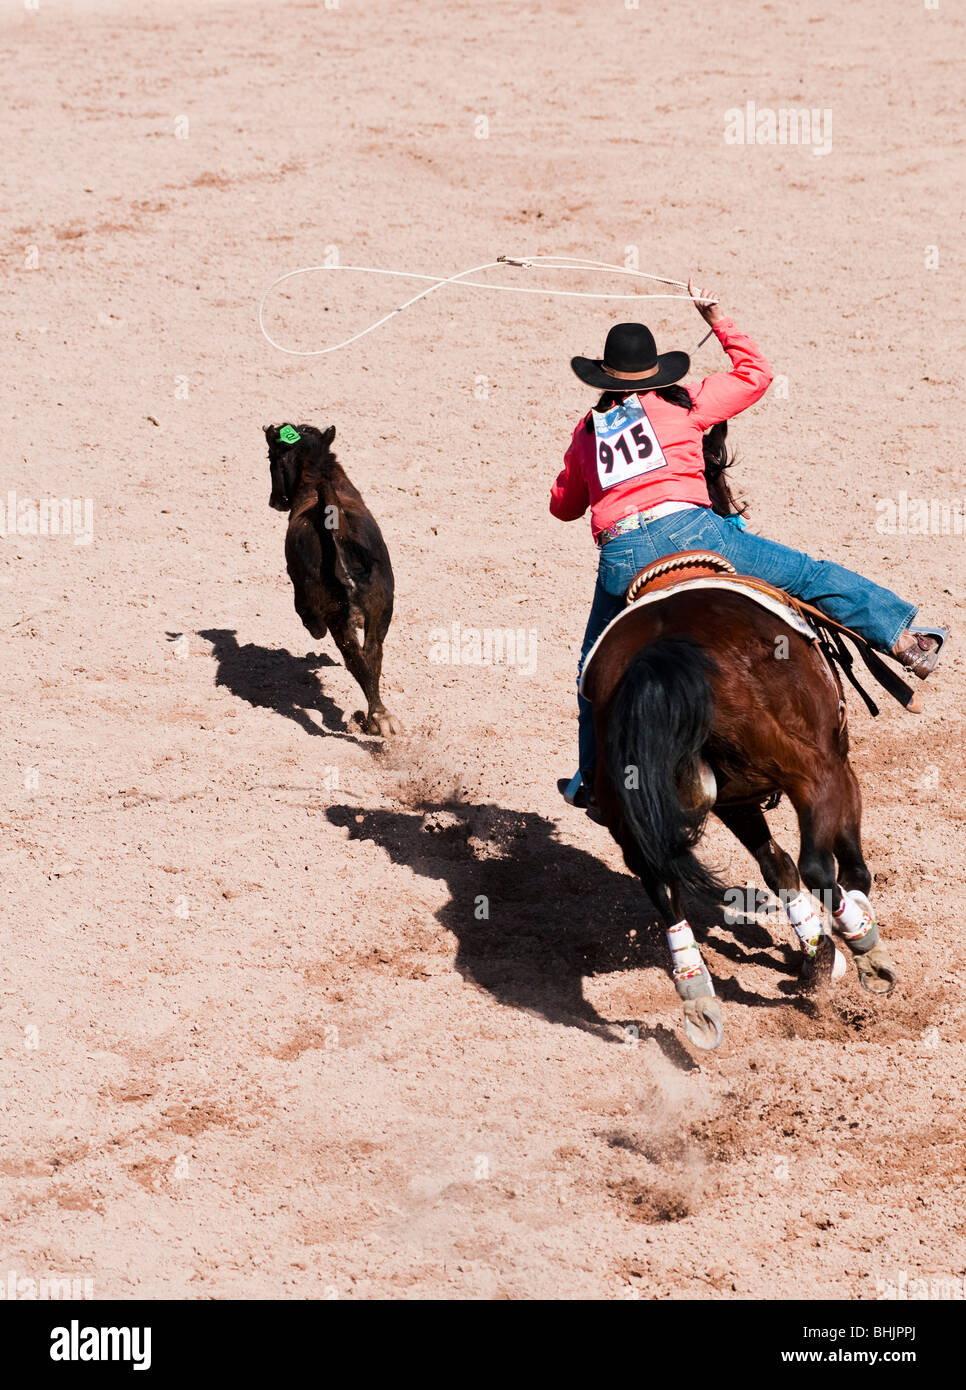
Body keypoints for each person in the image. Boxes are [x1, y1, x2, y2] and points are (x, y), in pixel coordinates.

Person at [551, 279, 948, 810]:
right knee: (808, 576)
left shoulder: (587, 431)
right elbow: (755, 375)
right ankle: (904, 639)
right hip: (691, 531)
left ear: (603, 376)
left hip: (622, 556)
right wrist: (715, 316)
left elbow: (562, 505)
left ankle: (593, 780)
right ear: (656, 371)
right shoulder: (685, 401)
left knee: (591, 671)